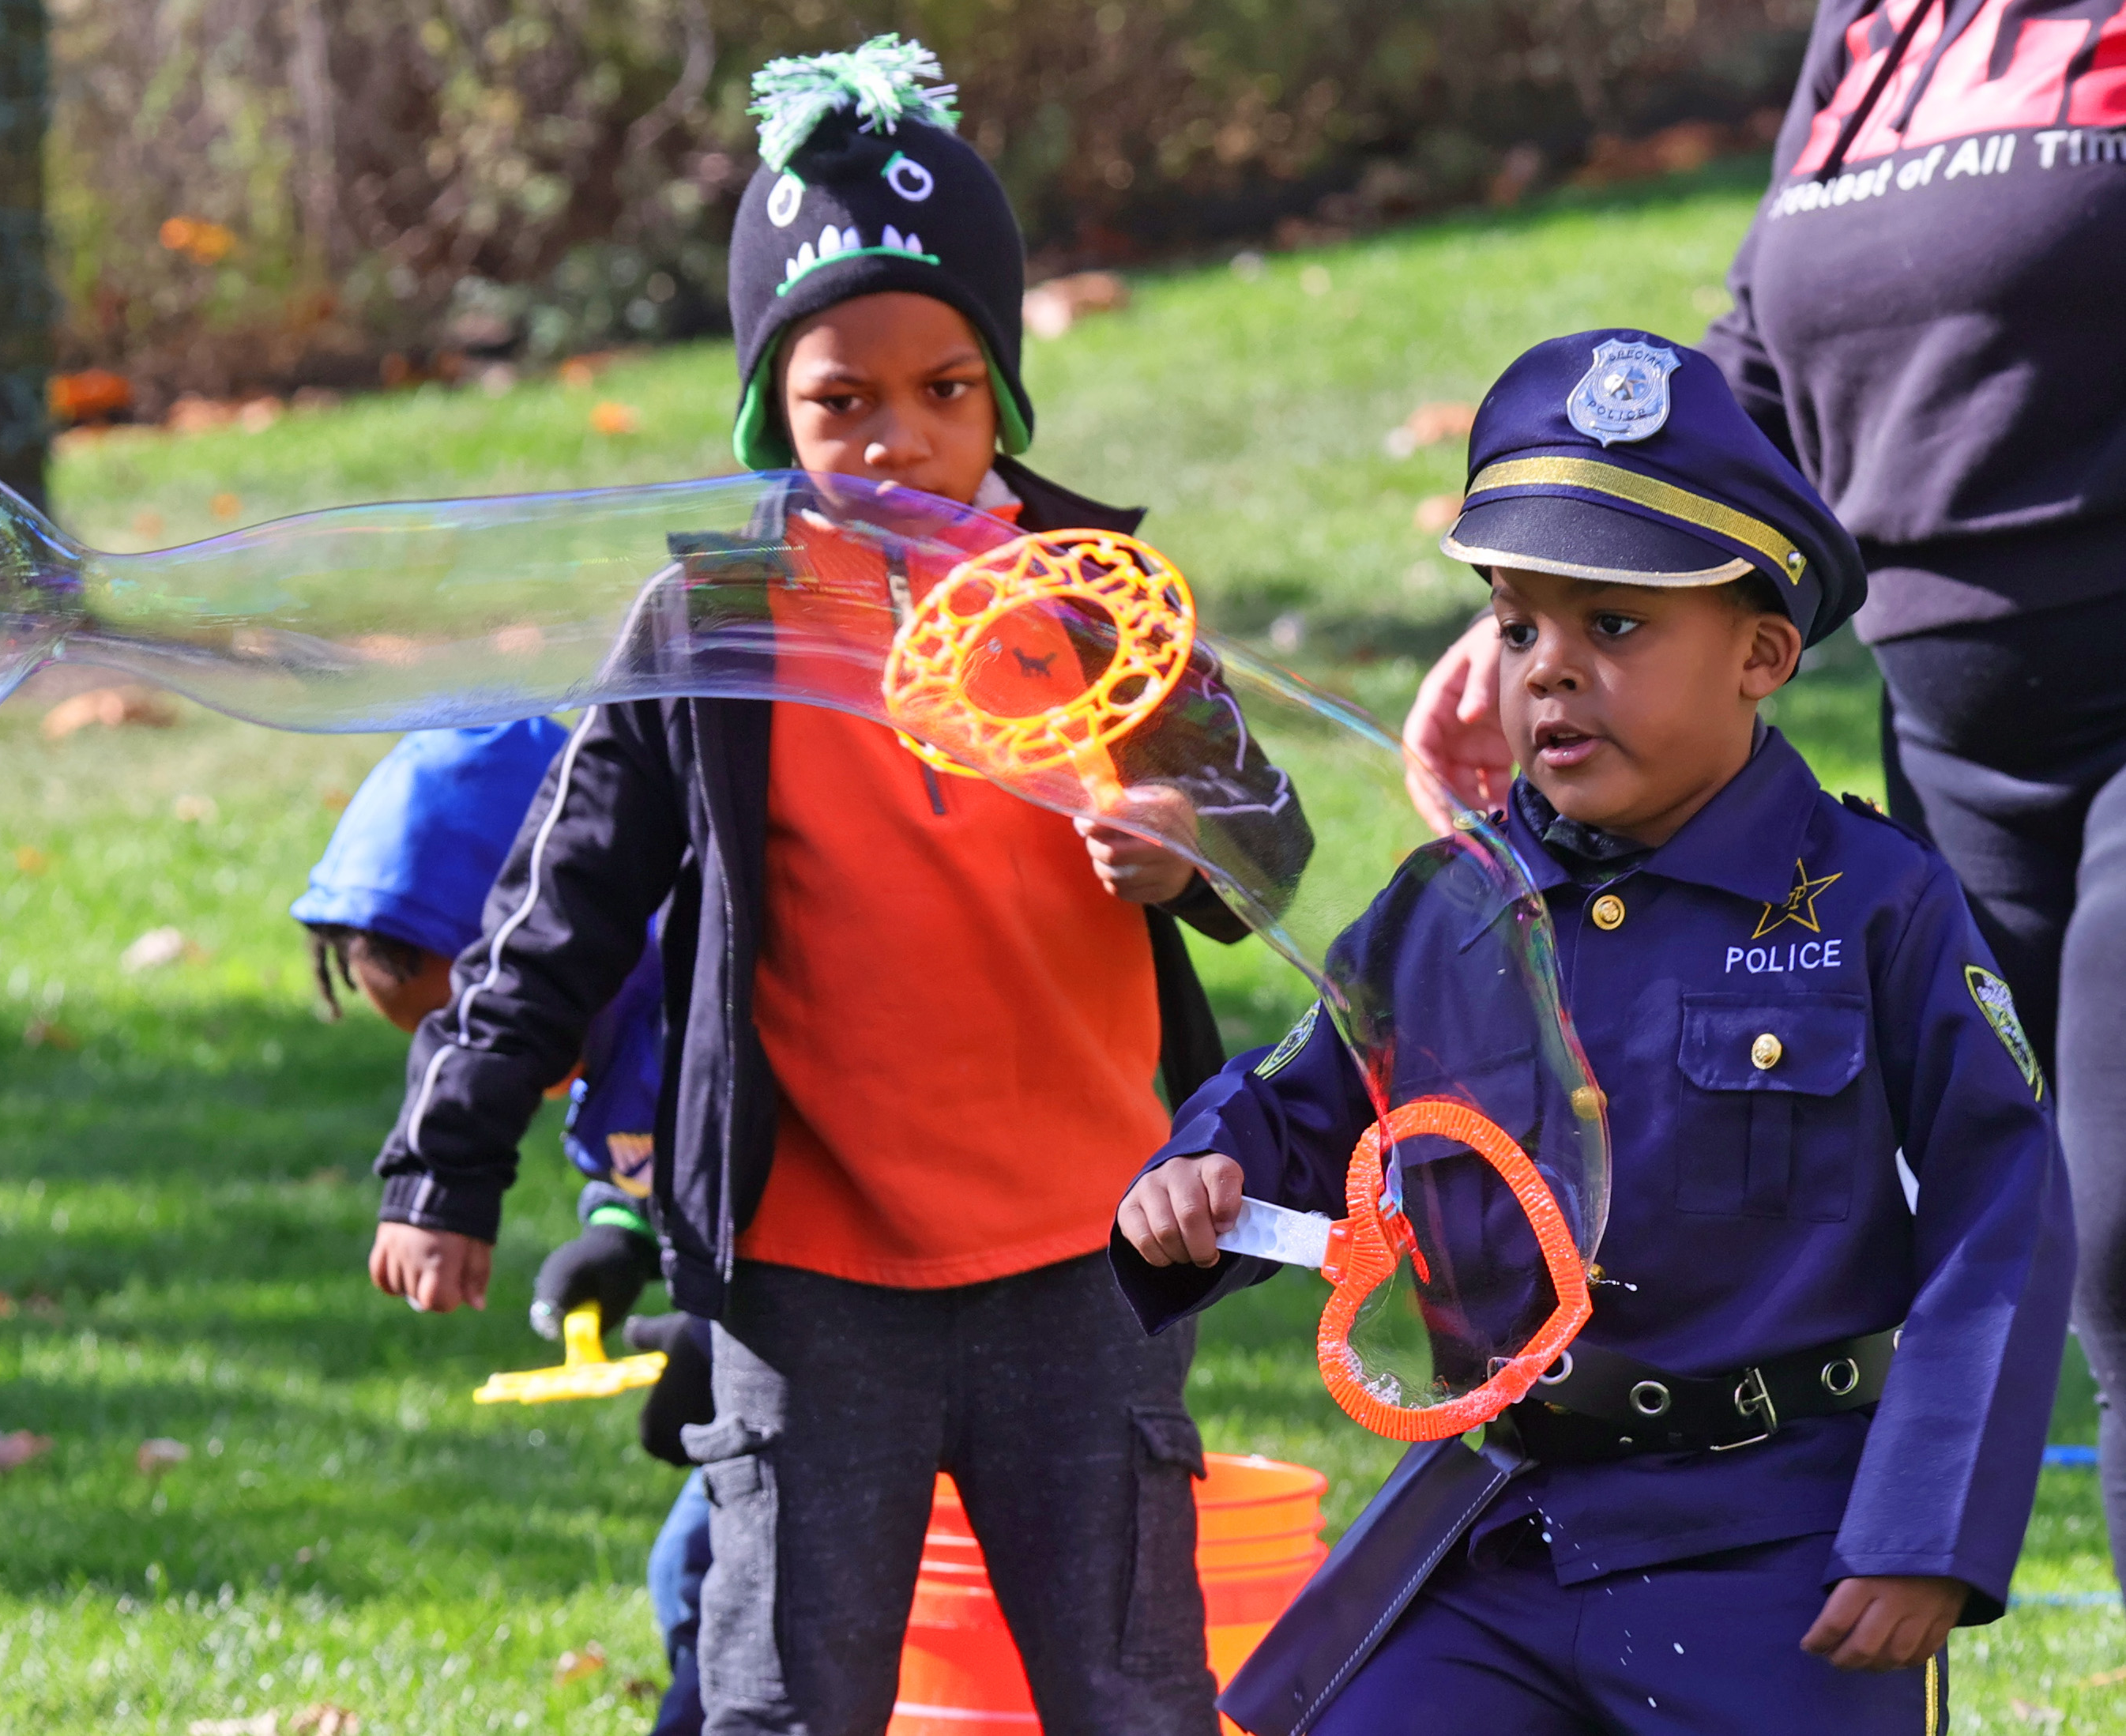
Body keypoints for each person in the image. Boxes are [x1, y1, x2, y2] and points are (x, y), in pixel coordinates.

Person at [361, 37, 1268, 1736]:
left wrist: (1186, 846)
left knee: (1132, 1695)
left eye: (944, 387)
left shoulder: (1095, 602)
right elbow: (552, 913)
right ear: (767, 411)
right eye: (838, 400)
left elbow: (1264, 840)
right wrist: (446, 1161)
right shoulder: (712, 628)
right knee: (781, 1699)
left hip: (1090, 1261)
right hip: (810, 1278)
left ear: (1000, 386)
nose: (898, 439)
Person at [1124, 332, 2074, 1733]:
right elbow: (1299, 1100)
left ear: (1762, 655)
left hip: (1779, 1553)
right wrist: (1199, 1174)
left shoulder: (1875, 905)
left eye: (1612, 627)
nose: (1548, 672)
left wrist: (1926, 1530)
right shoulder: (1449, 904)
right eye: (1516, 627)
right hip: (1510, 1524)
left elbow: (2006, 1207)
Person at [1404, 0, 2126, 1587]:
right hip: (1953, 742)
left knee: (2120, 1208)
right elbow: (1746, 379)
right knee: (1998, 1206)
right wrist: (1532, 622)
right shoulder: (1877, 24)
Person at [293, 723, 710, 1734]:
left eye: (485, 1026)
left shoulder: (698, 1007)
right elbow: (640, 1167)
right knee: (692, 1571)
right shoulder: (612, 1020)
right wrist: (617, 1233)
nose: (522, 1079)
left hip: (878, 1346)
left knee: (715, 1580)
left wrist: (720, 1341)